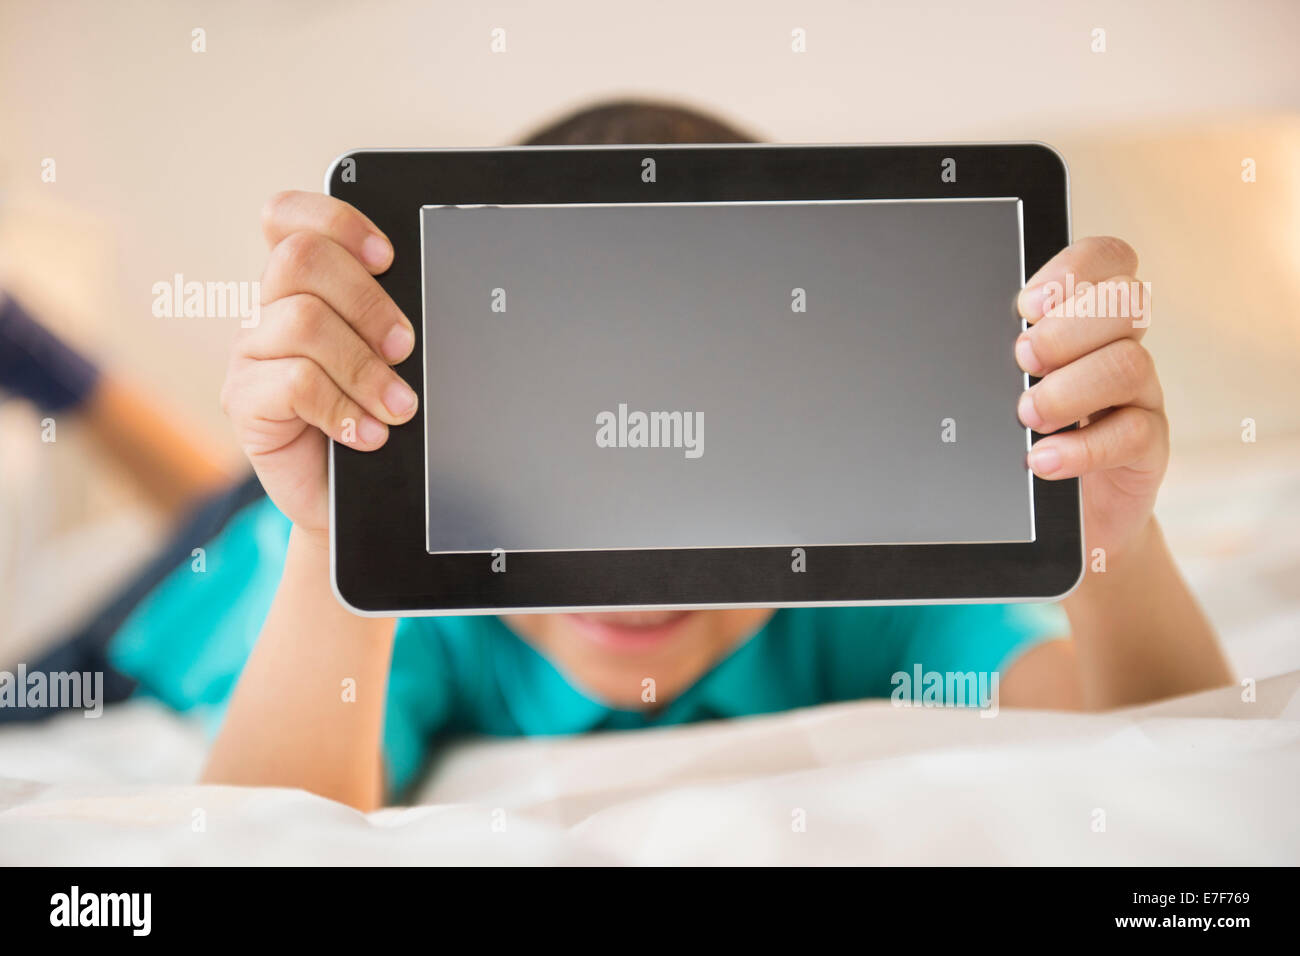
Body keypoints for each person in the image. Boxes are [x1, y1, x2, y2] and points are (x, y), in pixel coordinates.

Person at [12, 101, 1235, 811]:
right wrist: (335, 537)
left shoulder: (873, 593)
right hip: (272, 545)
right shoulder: (416, 596)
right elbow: (282, 821)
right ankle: (62, 373)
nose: (642, 582)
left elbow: (1140, 733)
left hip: (349, 484)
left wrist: (1109, 537)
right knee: (184, 548)